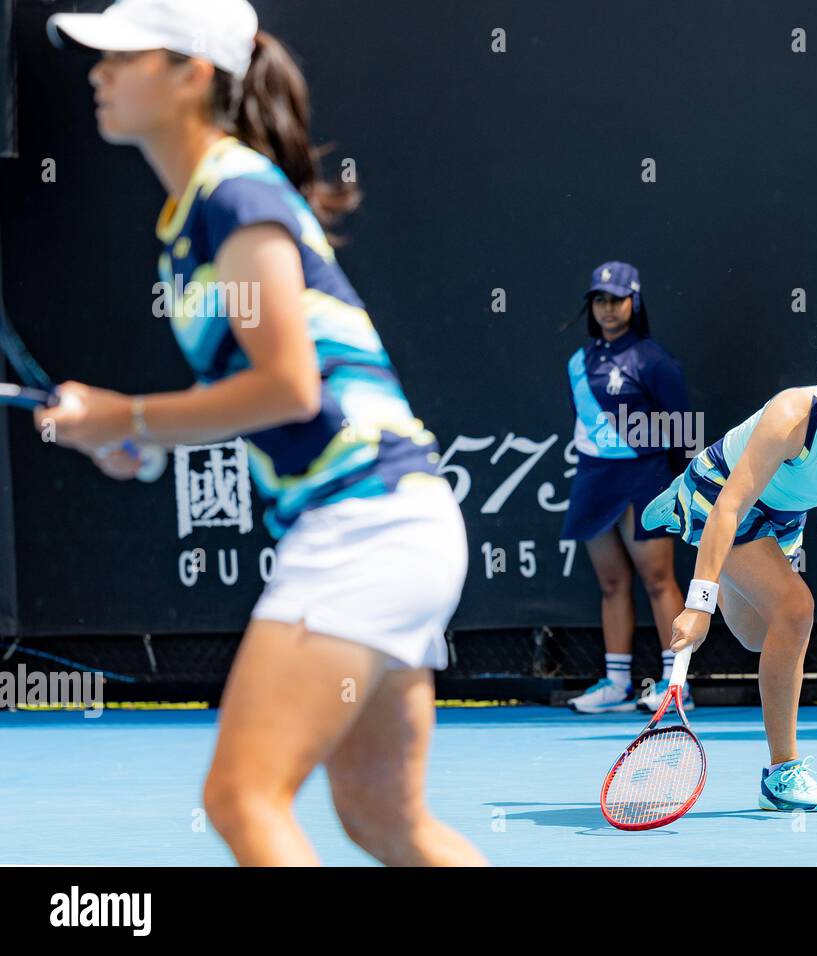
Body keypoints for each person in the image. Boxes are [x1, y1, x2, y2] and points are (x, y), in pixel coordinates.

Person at [42, 0, 485, 865]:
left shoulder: (233, 192)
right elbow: (271, 391)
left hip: (368, 527)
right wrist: (135, 439)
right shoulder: (194, 214)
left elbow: (287, 385)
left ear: (191, 74)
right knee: (385, 821)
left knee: (243, 799)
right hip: (395, 526)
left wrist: (123, 414)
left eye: (124, 56)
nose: (97, 73)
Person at [642, 325, 817, 811]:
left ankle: (703, 539)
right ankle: (782, 775)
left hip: (784, 517)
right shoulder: (793, 414)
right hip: (721, 491)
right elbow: (732, 505)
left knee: (760, 636)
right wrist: (698, 602)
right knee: (796, 610)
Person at [562, 262, 693, 714]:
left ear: (633, 303)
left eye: (616, 299)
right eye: (599, 300)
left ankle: (676, 685)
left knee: (658, 580)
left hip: (645, 478)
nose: (607, 308)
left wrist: (681, 483)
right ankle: (616, 684)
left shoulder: (654, 360)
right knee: (611, 582)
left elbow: (683, 427)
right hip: (595, 478)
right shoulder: (578, 363)